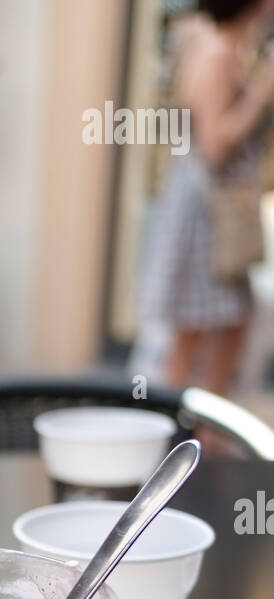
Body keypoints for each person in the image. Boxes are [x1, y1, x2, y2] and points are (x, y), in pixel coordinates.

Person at [138, 0, 274, 397]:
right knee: (195, 330)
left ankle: (204, 432)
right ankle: (184, 431)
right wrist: (260, 95)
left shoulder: (221, 44)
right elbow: (214, 145)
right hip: (206, 210)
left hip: (214, 208)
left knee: (229, 323)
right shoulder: (216, 52)